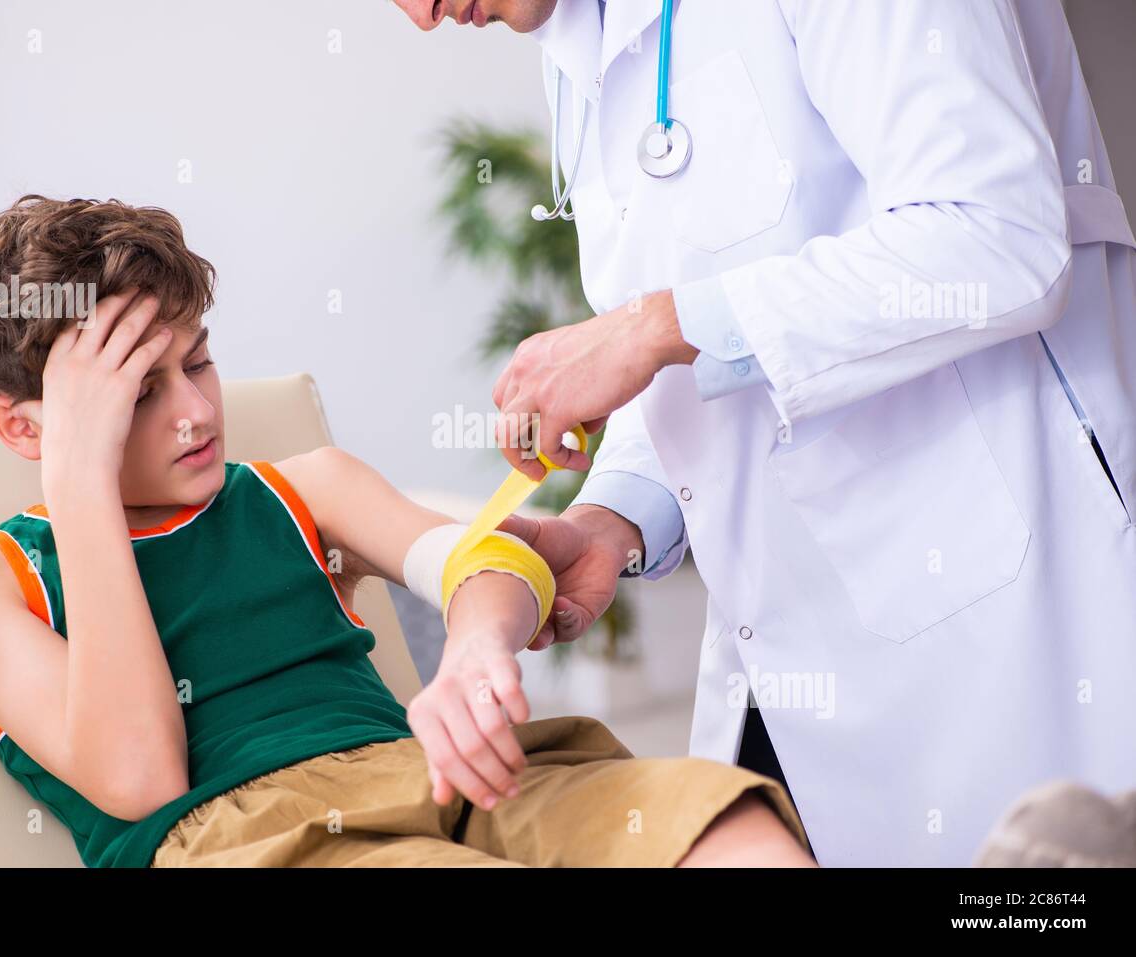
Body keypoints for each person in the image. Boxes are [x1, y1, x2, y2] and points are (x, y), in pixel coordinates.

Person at [393, 0, 1136, 865]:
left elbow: (997, 238)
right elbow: (704, 334)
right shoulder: (573, 37)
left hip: (996, 617)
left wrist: (647, 329)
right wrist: (613, 518)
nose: (418, 13)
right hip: (786, 642)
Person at [0, 194, 813, 868]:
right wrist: (78, 485)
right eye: (136, 393)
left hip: (438, 779)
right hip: (257, 841)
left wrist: (473, 647)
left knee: (727, 827)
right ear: (23, 428)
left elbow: (486, 560)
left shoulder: (301, 490)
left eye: (200, 362)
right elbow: (141, 776)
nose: (193, 411)